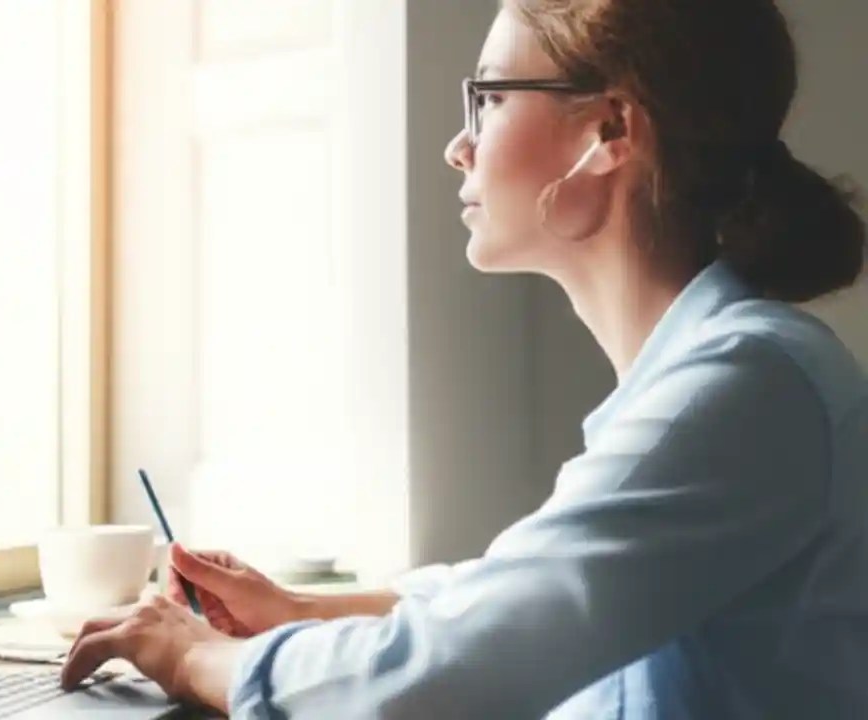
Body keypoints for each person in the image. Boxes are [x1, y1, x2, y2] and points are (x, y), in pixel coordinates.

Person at [60, 0, 868, 716]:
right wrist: (300, 610)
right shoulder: (728, 374)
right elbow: (511, 600)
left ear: (612, 129)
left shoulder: (745, 386)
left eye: (488, 98)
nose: (459, 146)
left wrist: (195, 655)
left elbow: (446, 676)